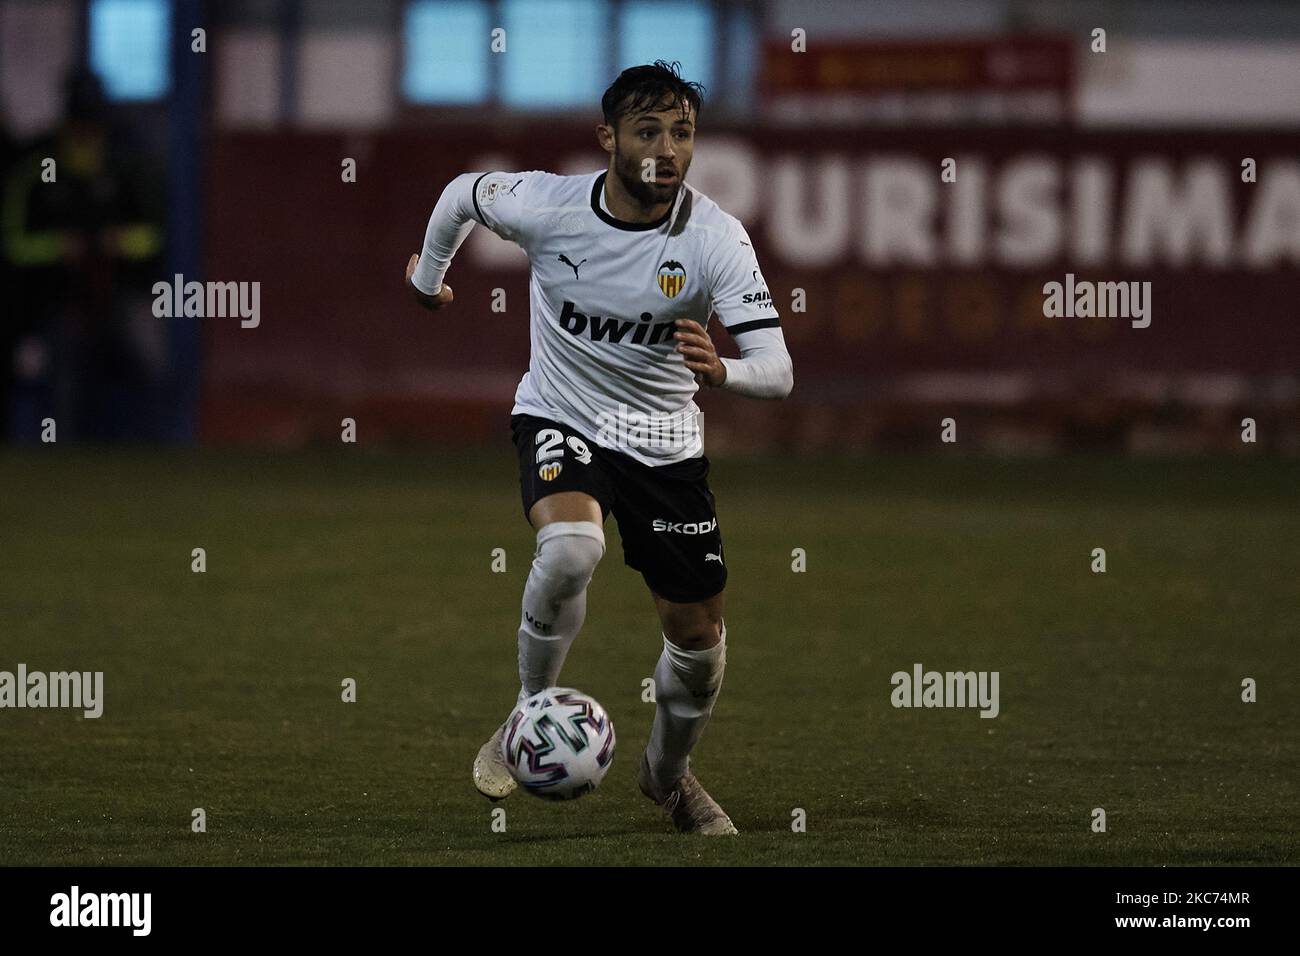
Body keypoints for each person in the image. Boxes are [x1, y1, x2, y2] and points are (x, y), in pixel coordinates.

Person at [404, 61, 792, 835]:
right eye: (648, 131)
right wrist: (428, 282)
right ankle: (527, 714)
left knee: (699, 642)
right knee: (571, 549)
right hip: (562, 416)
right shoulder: (549, 206)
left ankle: (667, 780)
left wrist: (725, 371)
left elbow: (777, 370)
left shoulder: (715, 238)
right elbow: (461, 194)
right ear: (608, 138)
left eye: (681, 132)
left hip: (664, 443)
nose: (667, 150)